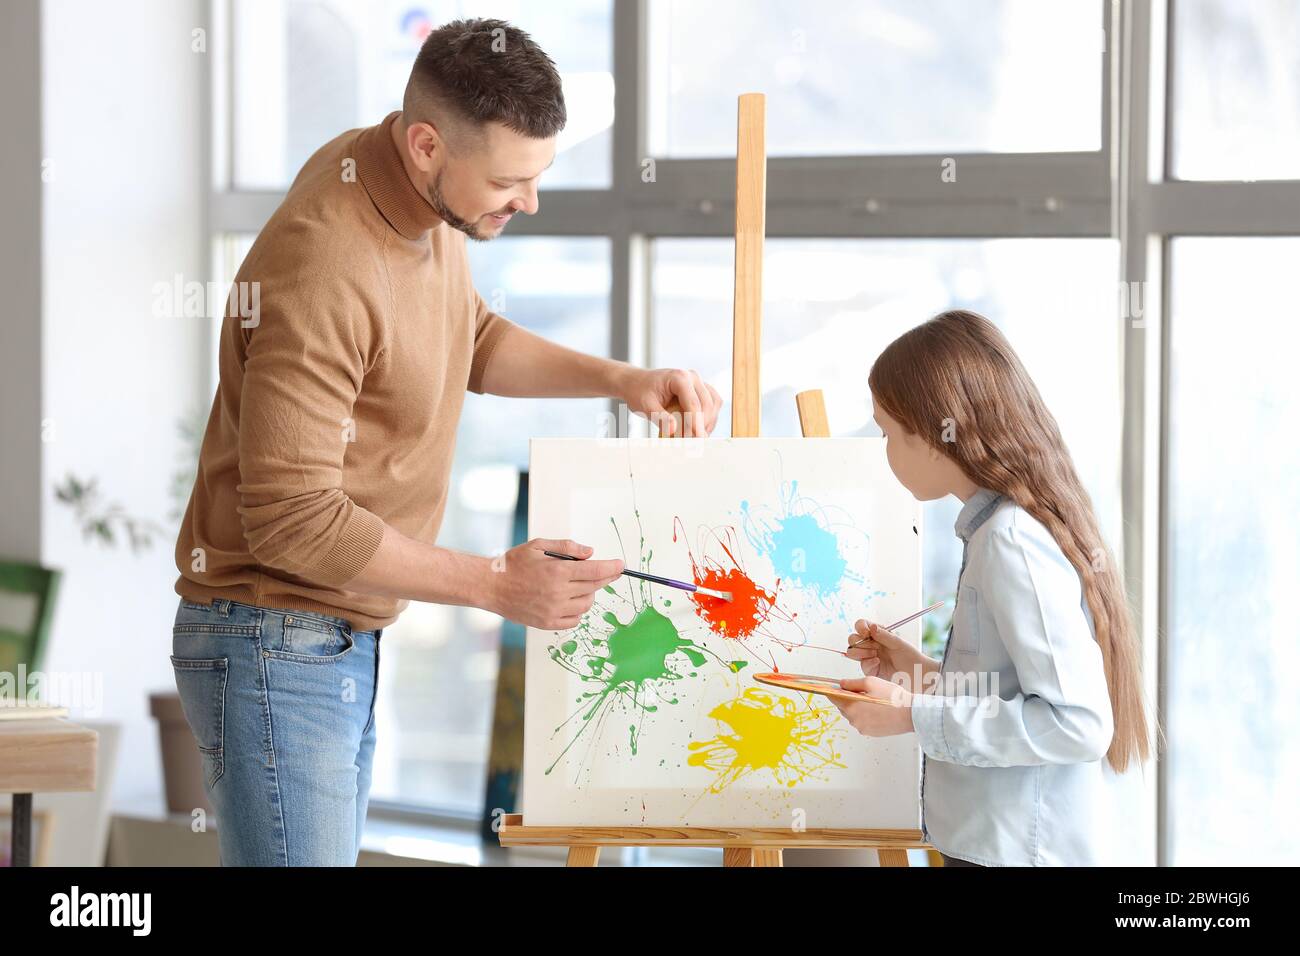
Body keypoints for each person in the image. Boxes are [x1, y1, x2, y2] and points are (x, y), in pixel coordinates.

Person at [170, 17, 722, 866]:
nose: (527, 202)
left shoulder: (410, 192)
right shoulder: (326, 265)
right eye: (509, 180)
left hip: (328, 637)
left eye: (538, 176)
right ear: (425, 144)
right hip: (273, 639)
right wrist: (496, 583)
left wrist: (623, 381)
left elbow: (471, 339)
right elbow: (292, 519)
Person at [830, 309, 1155, 866]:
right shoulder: (994, 532)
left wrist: (909, 713)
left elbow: (1075, 724)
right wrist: (915, 674)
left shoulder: (1010, 540)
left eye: (888, 433)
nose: (884, 452)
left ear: (935, 436)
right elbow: (1011, 693)